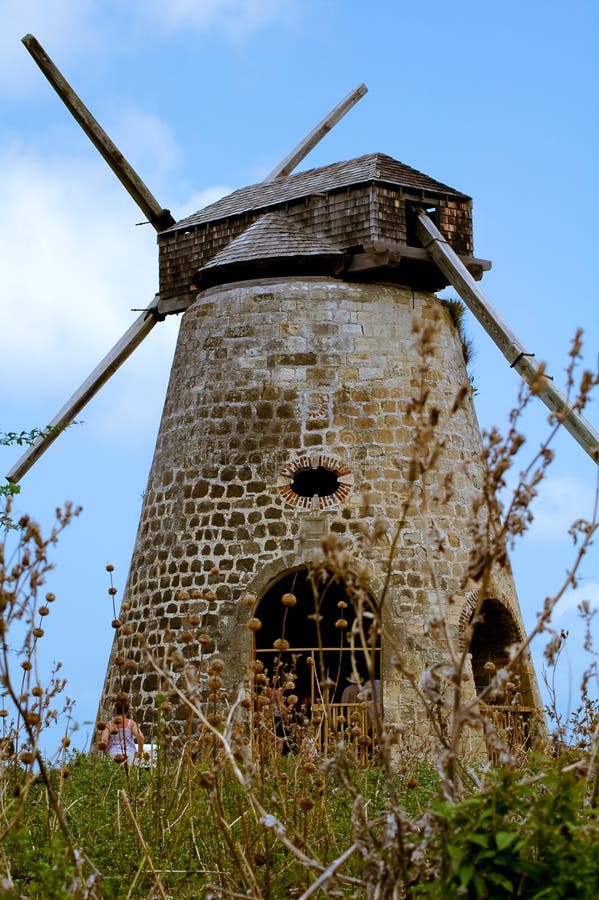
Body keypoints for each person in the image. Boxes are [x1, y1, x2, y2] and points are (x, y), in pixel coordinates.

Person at [100, 696, 144, 765]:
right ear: (127, 710)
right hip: (129, 754)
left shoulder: (108, 725)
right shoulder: (131, 723)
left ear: (116, 710)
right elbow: (140, 737)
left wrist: (107, 755)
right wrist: (140, 753)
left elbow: (104, 741)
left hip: (113, 754)